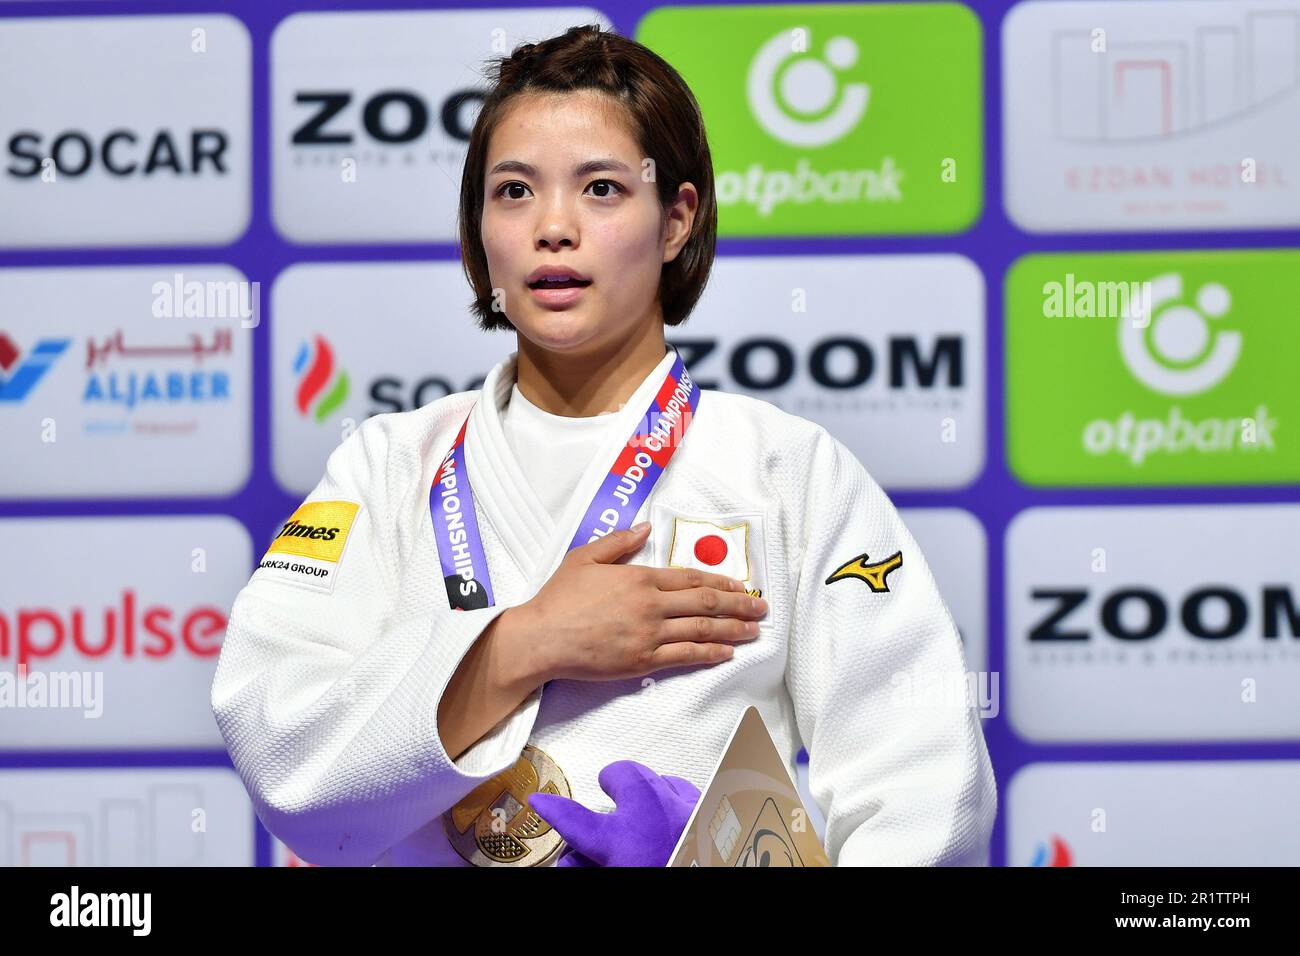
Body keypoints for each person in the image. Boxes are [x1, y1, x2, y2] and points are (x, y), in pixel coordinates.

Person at [211, 24, 996, 867]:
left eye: (602, 190)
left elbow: (925, 788)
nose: (554, 227)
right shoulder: (386, 465)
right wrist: (525, 642)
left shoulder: (784, 471)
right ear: (478, 230)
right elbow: (277, 741)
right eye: (513, 192)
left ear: (676, 220)